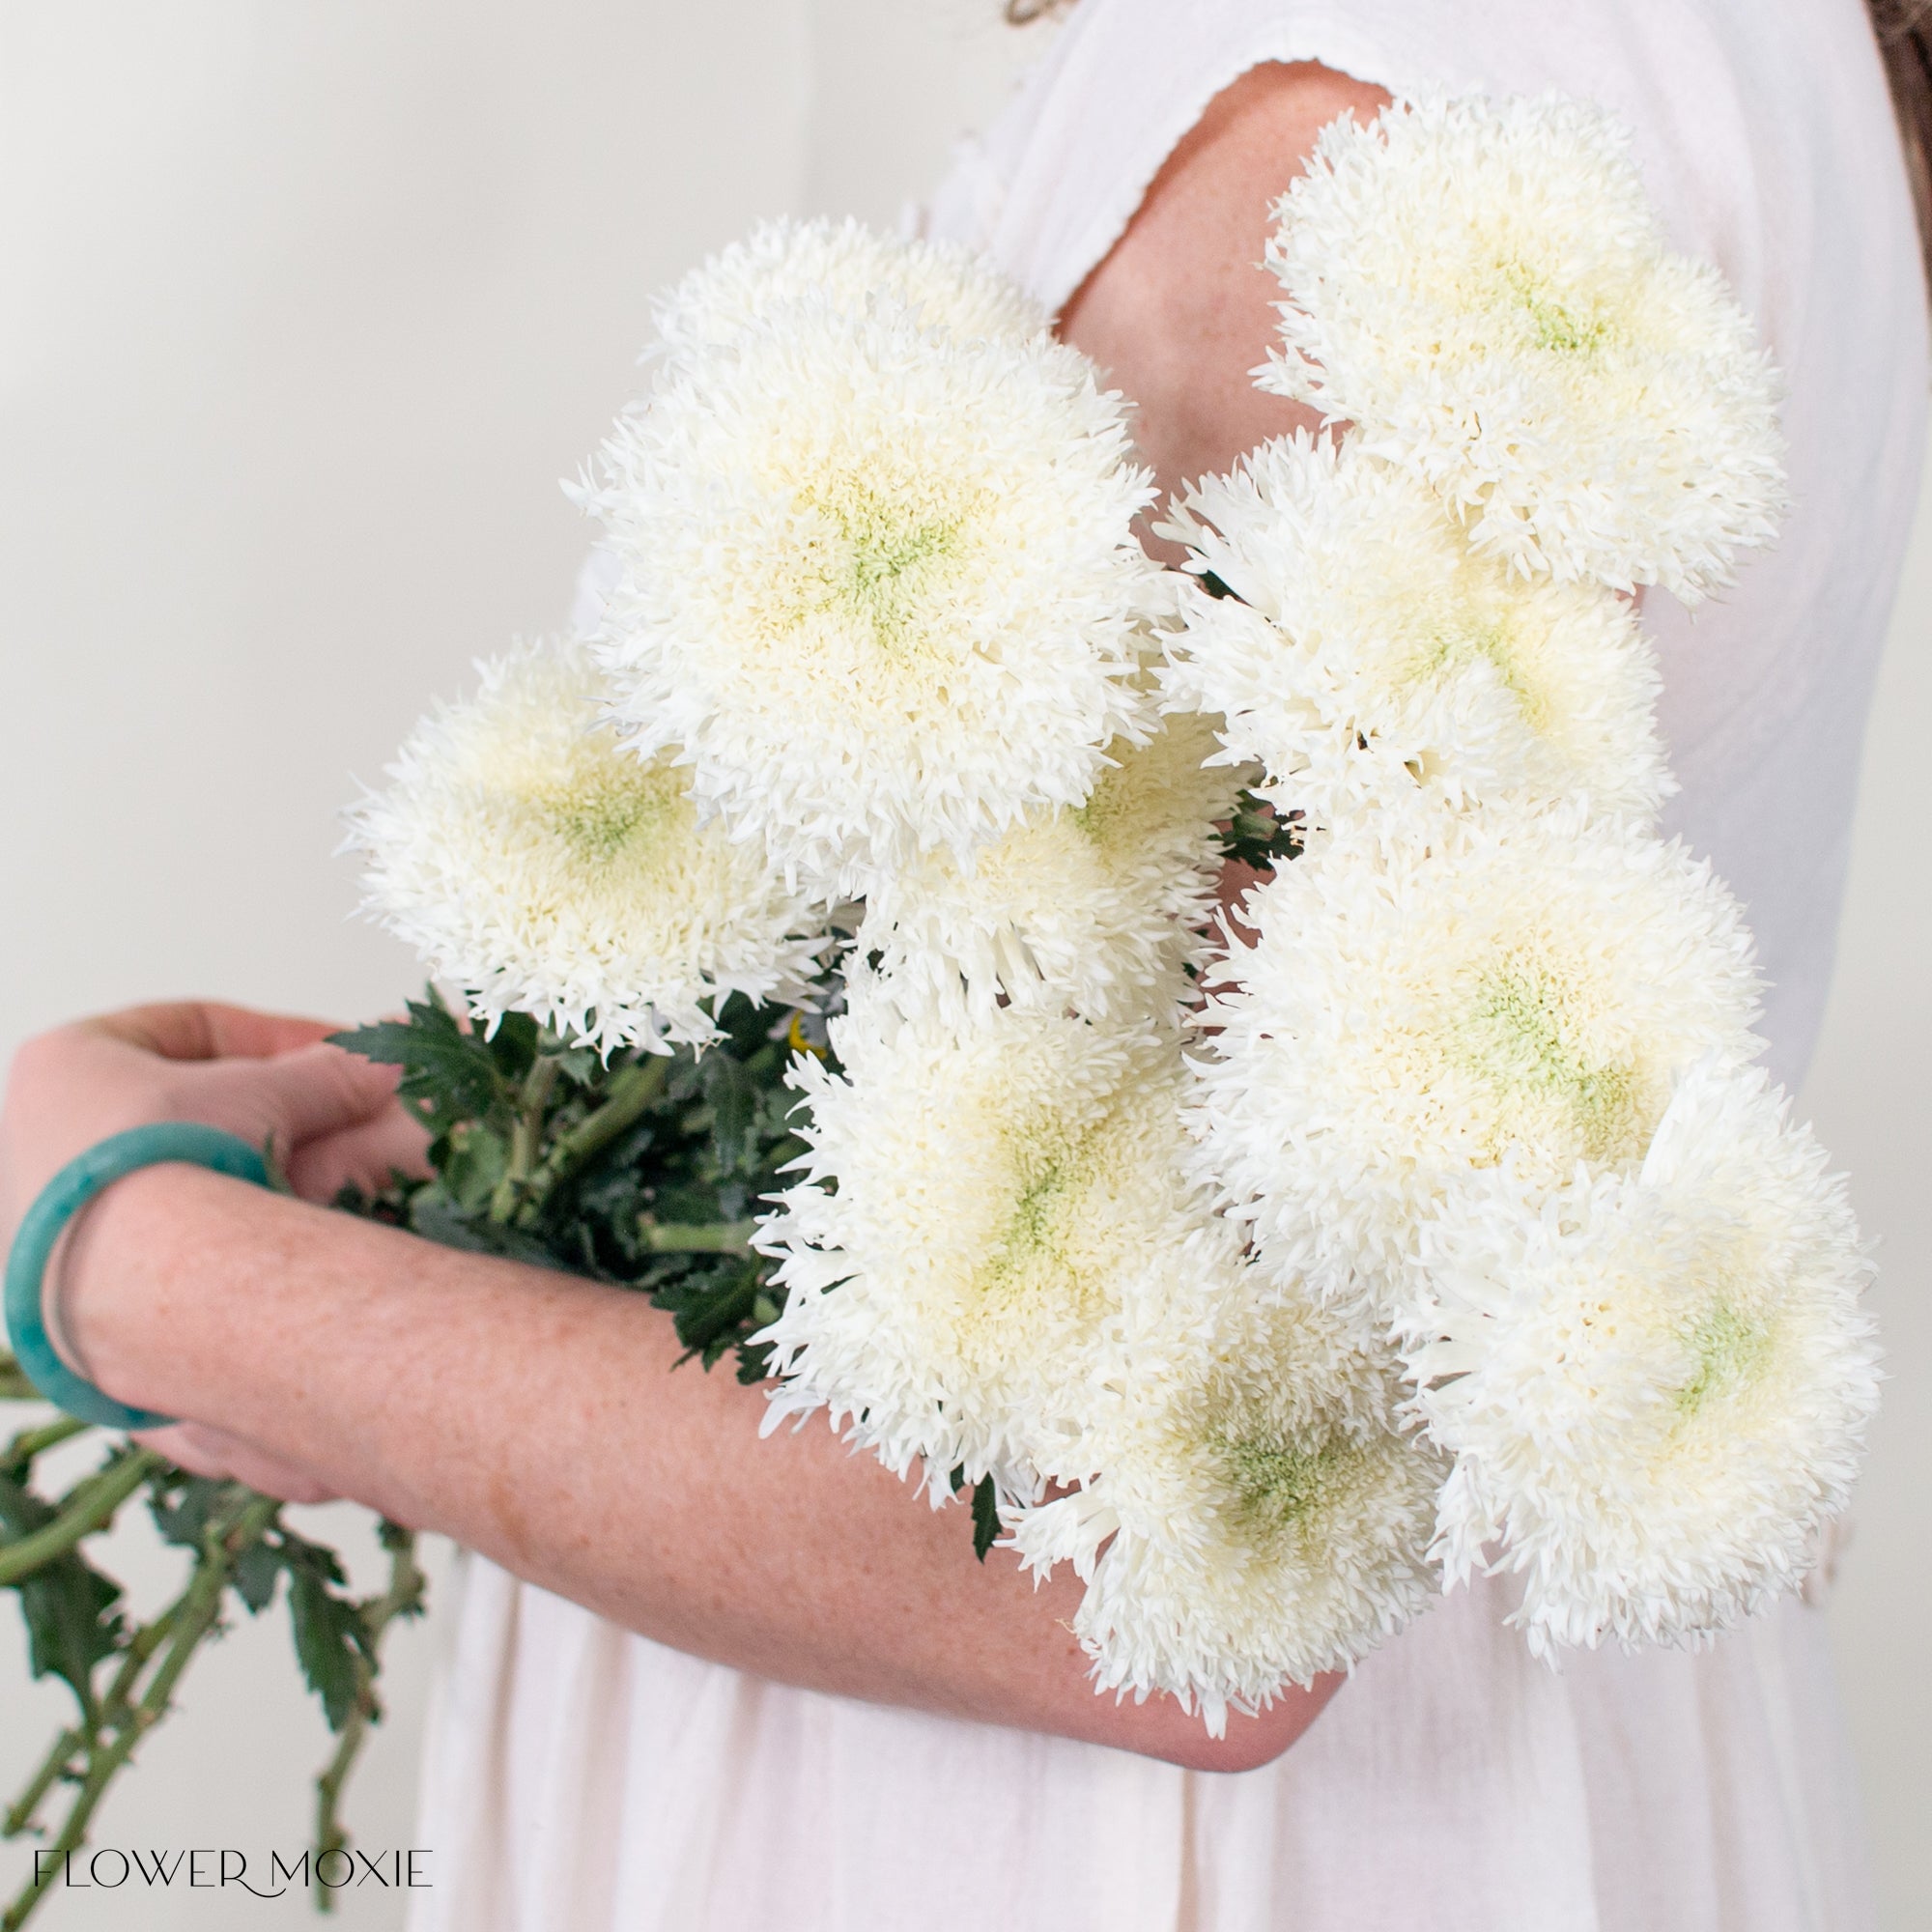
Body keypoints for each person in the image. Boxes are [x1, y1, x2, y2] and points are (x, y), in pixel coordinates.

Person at [2, 1, 1923, 1926]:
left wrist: (122, 1256)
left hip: (1039, 1849)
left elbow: (1121, 1559)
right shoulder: (1677, 55)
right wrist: (514, 1135)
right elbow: (1168, 1103)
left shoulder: (1342, 159)